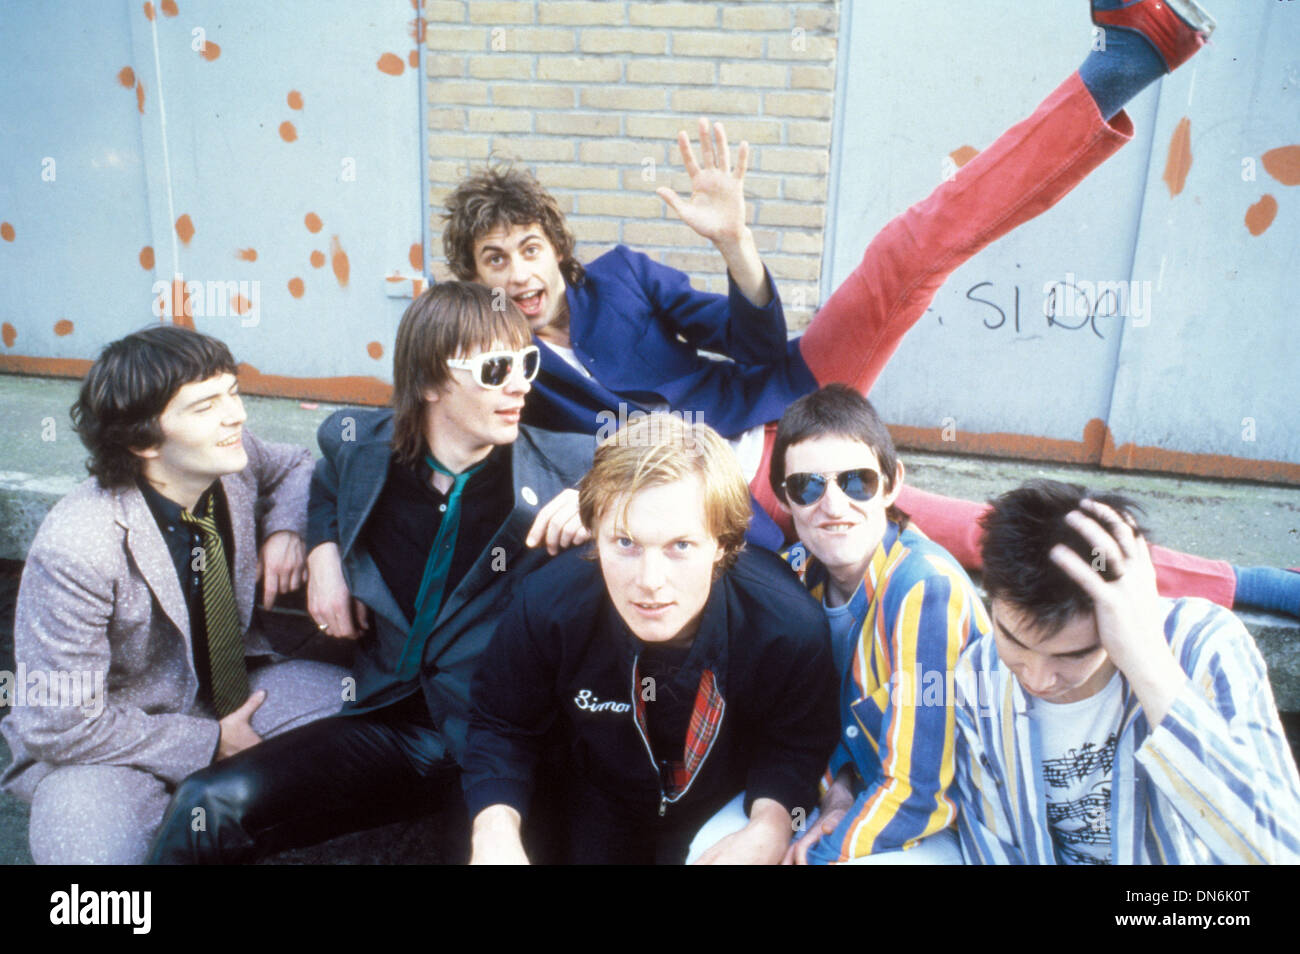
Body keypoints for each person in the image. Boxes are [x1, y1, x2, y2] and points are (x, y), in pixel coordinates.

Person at [440, 1, 1300, 619]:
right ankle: (1252, 584)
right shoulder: (500, 375)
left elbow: (752, 342)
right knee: (983, 533)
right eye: (494, 261)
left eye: (527, 248)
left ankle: (1118, 67)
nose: (518, 273)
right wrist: (319, 536)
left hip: (787, 389)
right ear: (476, 280)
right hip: (746, 486)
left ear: (555, 245)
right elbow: (432, 444)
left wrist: (737, 244)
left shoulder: (622, 277)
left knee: (905, 254)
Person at [147, 282, 594, 863]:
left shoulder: (567, 465)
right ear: (430, 383)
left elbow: (690, 454)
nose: (520, 383)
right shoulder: (362, 446)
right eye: (495, 368)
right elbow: (324, 480)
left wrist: (603, 496)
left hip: (502, 749)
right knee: (207, 803)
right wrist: (322, 549)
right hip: (391, 722)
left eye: (527, 361)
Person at [0, 325, 348, 864]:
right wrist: (207, 744)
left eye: (232, 392)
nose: (236, 415)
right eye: (206, 405)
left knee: (380, 706)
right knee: (94, 881)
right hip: (107, 742)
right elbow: (58, 723)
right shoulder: (78, 546)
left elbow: (297, 464)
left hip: (235, 691)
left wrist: (287, 531)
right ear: (144, 440)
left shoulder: (229, 459)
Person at [462, 413, 839, 864]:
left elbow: (798, 742)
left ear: (722, 543)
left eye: (680, 546)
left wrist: (773, 822)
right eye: (625, 543)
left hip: (726, 804)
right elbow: (501, 724)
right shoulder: (548, 604)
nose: (650, 581)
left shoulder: (787, 624)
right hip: (602, 798)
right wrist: (493, 829)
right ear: (594, 536)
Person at [953, 479, 1300, 864]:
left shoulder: (1204, 646)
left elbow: (1280, 851)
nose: (1036, 678)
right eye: (1013, 641)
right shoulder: (978, 674)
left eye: (1071, 655)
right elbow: (993, 850)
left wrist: (1148, 661)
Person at [744, 384, 988, 865]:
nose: (833, 506)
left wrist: (820, 854)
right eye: (808, 487)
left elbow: (920, 792)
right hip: (860, 798)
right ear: (784, 498)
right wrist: (837, 795)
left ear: (892, 482)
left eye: (856, 482)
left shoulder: (924, 589)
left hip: (949, 827)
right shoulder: (795, 572)